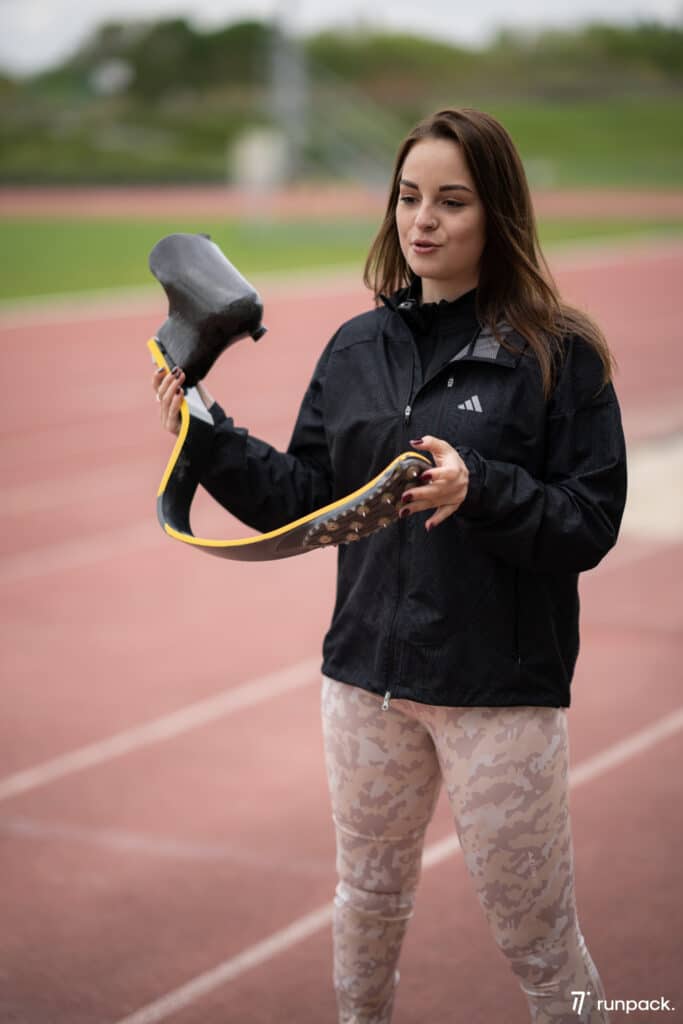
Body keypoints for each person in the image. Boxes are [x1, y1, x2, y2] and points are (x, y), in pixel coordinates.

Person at [152, 108, 626, 1024]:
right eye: (410, 197)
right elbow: (303, 501)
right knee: (366, 904)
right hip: (365, 680)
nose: (424, 220)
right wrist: (203, 432)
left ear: (499, 215)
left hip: (498, 691)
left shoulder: (559, 352)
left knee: (538, 939)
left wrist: (477, 486)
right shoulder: (355, 347)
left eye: (452, 201)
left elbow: (588, 520)